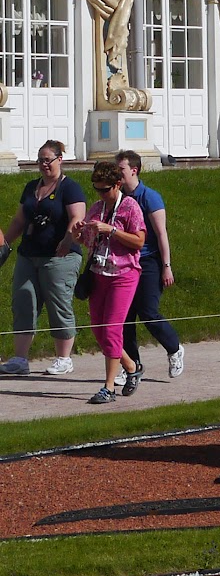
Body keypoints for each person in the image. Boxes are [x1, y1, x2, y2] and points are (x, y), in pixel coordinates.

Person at [0, 141, 85, 377]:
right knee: (23, 302)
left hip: (59, 257)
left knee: (59, 304)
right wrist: (5, 245)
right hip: (29, 255)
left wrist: (67, 240)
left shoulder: (71, 188)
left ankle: (64, 358)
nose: (44, 164)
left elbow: (77, 217)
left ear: (60, 160)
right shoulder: (31, 187)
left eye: (48, 160)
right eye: (40, 160)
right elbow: (19, 220)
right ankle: (19, 359)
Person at [73, 159, 145, 404]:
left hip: (124, 274)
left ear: (117, 184)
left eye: (105, 189)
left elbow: (138, 242)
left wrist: (111, 230)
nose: (101, 194)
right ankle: (131, 366)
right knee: (98, 329)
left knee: (112, 329)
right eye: (96, 189)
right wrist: (79, 233)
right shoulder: (97, 207)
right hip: (99, 272)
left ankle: (109, 387)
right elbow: (89, 242)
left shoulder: (130, 207)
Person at [114, 151, 184, 385]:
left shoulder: (149, 197)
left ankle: (174, 349)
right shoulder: (118, 198)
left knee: (148, 312)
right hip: (125, 263)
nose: (118, 174)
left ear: (134, 170)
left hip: (149, 261)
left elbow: (161, 234)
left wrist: (166, 266)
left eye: (121, 169)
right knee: (124, 317)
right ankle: (131, 366)